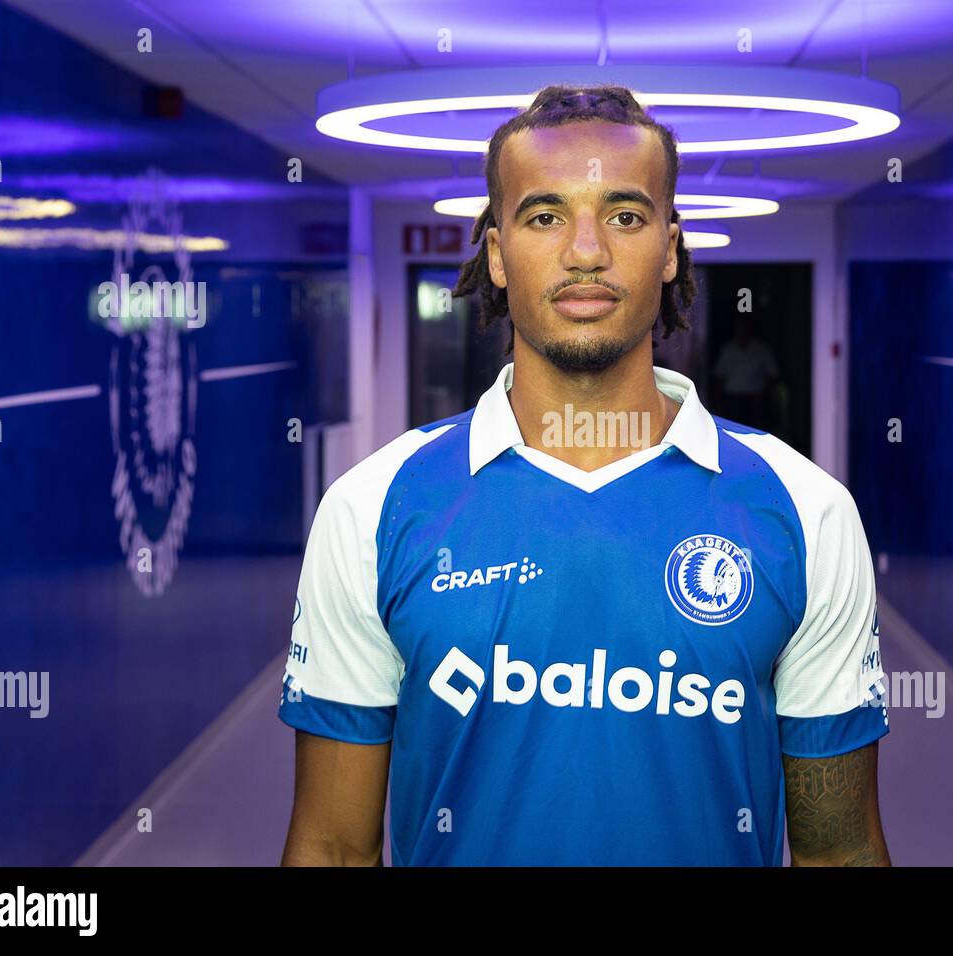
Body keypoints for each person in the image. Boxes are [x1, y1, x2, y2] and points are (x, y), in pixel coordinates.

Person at [278, 84, 890, 866]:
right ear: (496, 255)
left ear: (670, 248)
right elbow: (330, 847)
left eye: (626, 216)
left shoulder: (807, 514)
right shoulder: (372, 509)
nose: (586, 251)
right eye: (545, 216)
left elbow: (839, 854)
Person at [711, 317, 781, 432]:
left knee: (755, 433)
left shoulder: (762, 349)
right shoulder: (728, 350)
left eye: (745, 327)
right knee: (732, 432)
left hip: (755, 401)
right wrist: (717, 403)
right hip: (732, 400)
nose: (742, 331)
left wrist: (770, 399)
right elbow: (719, 376)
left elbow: (773, 376)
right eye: (739, 328)